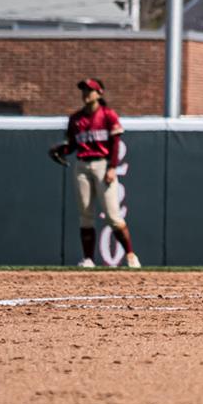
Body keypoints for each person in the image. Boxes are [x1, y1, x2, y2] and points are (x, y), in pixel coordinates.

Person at [49, 78, 140, 268]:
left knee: (112, 215)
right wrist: (60, 151)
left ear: (99, 93)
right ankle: (89, 259)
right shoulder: (76, 119)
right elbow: (72, 146)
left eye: (90, 90)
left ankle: (131, 255)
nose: (85, 94)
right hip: (82, 164)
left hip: (102, 164)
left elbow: (115, 144)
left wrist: (113, 167)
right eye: (83, 90)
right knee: (85, 214)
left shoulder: (108, 115)